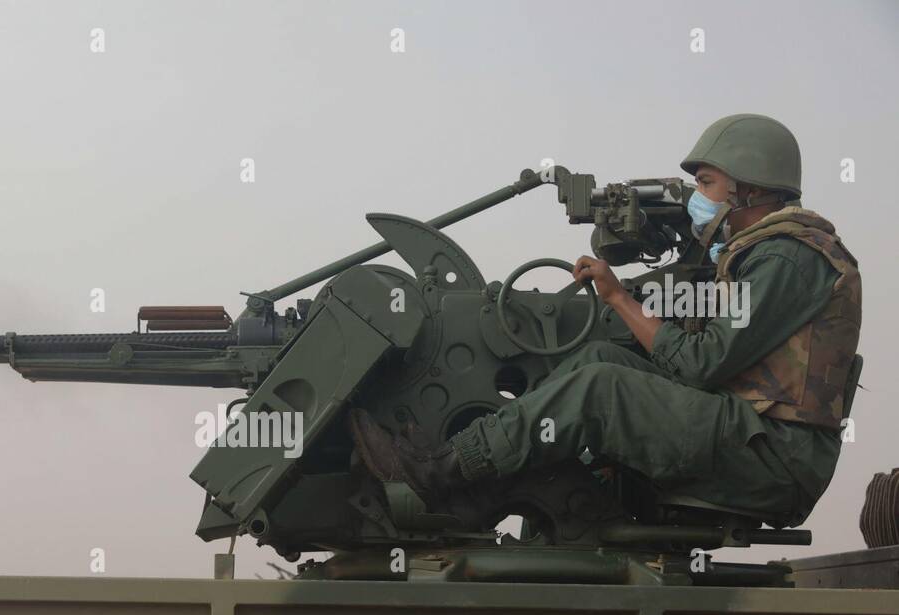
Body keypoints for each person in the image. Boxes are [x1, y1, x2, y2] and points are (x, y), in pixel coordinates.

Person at [350, 114, 861, 528]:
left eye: (706, 183)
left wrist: (618, 298)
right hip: (750, 432)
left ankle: (438, 471)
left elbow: (703, 364)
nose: (698, 196)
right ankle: (484, 489)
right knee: (597, 356)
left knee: (601, 387)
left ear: (749, 189)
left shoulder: (789, 259)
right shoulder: (762, 255)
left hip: (777, 456)